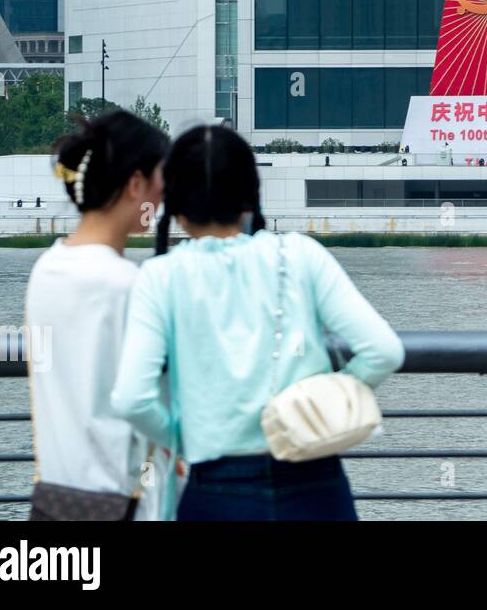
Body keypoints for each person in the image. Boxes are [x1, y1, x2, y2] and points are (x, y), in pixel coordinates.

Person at [110, 125, 405, 521]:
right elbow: (384, 351)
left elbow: (132, 398)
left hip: (216, 489)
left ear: (176, 205)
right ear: (249, 199)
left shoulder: (160, 277)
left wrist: (184, 436)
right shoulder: (301, 254)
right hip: (315, 483)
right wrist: (330, 397)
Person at [25, 110, 175, 520]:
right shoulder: (128, 284)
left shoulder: (45, 271)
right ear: (135, 184)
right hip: (122, 503)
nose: (161, 201)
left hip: (55, 500)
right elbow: (142, 397)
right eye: (160, 183)